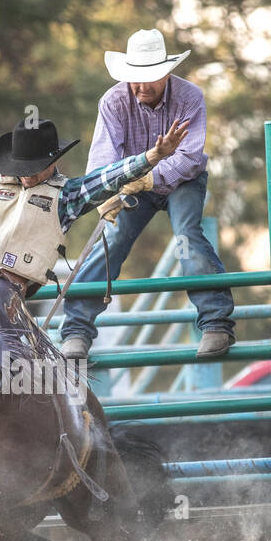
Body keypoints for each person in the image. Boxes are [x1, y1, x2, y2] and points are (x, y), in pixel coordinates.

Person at [0, 115, 190, 395]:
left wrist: (153, 156)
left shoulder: (67, 195)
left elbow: (110, 176)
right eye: (21, 166)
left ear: (52, 163)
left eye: (33, 167)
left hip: (9, 282)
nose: (26, 174)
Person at [59, 28, 235, 361]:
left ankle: (215, 324)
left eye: (149, 78)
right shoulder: (113, 101)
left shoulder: (190, 97)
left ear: (167, 73)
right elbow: (102, 156)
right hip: (129, 183)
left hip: (183, 180)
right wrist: (105, 194)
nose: (141, 86)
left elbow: (189, 157)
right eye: (135, 78)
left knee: (187, 234)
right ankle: (76, 331)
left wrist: (150, 178)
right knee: (112, 239)